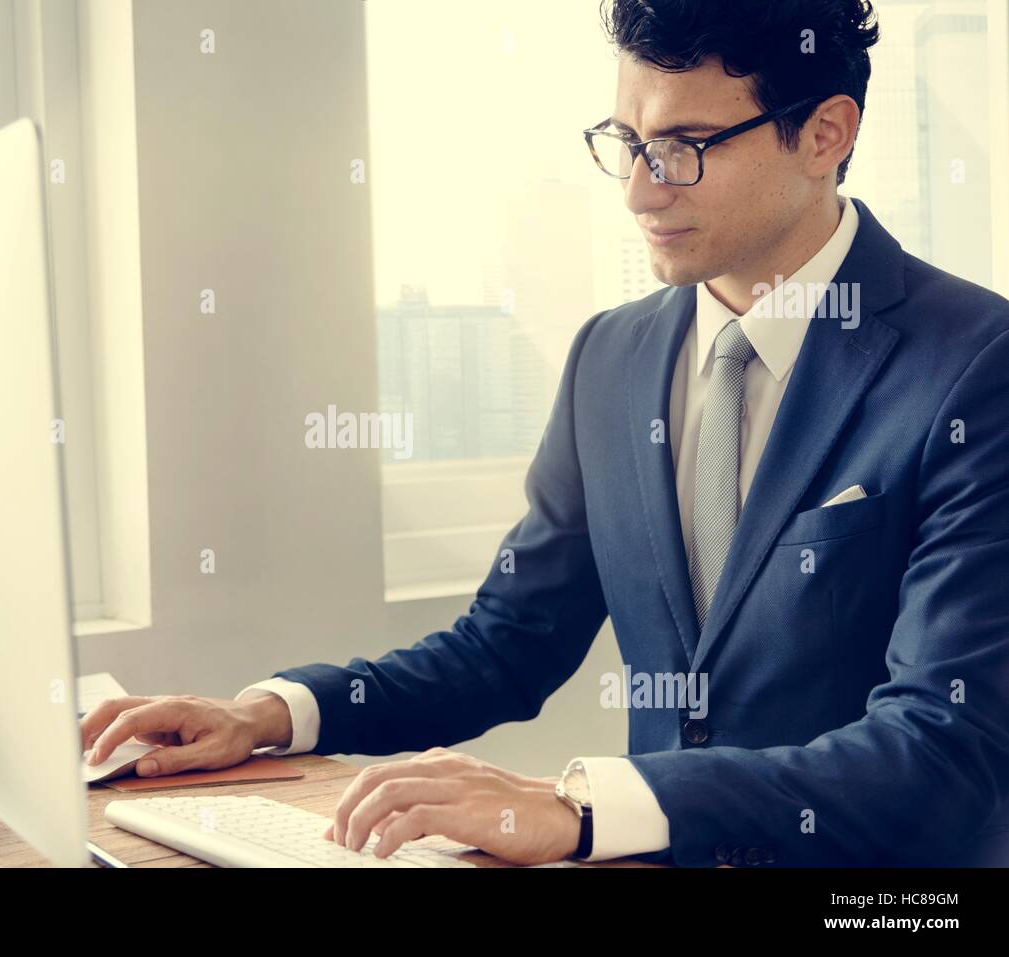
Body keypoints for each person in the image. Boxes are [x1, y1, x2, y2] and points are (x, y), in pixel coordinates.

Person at [83, 0, 1009, 866]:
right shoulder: (613, 357)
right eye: (630, 143)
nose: (643, 194)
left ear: (825, 134)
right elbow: (507, 643)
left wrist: (583, 807)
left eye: (687, 146)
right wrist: (274, 712)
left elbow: (944, 748)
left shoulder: (976, 364)